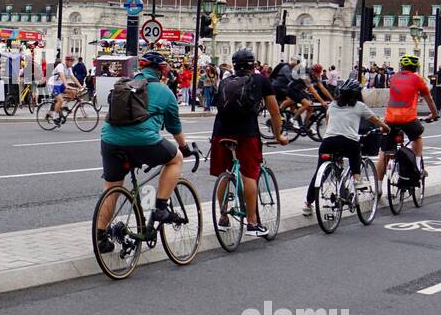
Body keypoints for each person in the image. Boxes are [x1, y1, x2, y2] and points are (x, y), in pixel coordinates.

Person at [96, 50, 193, 253]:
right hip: (143, 140)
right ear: (161, 71)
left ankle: (101, 238)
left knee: (111, 188)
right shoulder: (165, 92)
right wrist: (184, 148)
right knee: (175, 159)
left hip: (109, 139)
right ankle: (160, 208)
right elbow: (175, 128)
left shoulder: (126, 84)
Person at [211, 48, 288, 237]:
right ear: (254, 65)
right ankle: (252, 223)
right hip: (246, 133)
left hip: (220, 131)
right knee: (249, 175)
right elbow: (275, 112)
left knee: (224, 173)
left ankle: (223, 217)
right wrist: (278, 135)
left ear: (234, 64)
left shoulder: (226, 81)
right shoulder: (261, 80)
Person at [303, 79, 388, 214]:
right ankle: (357, 180)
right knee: (355, 154)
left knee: (320, 172)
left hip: (328, 142)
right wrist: (386, 128)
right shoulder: (359, 106)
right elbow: (375, 120)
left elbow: (329, 121)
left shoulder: (332, 105)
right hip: (349, 142)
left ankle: (308, 204)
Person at [374, 54, 438, 187]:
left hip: (390, 119)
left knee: (384, 153)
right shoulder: (417, 78)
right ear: (415, 67)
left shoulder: (393, 77)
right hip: (408, 119)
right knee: (417, 137)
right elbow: (429, 98)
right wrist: (433, 114)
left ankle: (378, 188)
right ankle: (418, 166)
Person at [45, 54, 82, 125]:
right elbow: (62, 76)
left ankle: (64, 106)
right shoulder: (60, 66)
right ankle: (55, 117)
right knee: (60, 100)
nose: (72, 63)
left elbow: (73, 77)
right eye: (71, 61)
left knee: (73, 92)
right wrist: (66, 85)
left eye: (73, 61)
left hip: (59, 84)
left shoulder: (69, 68)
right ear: (67, 61)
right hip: (52, 84)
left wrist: (81, 86)